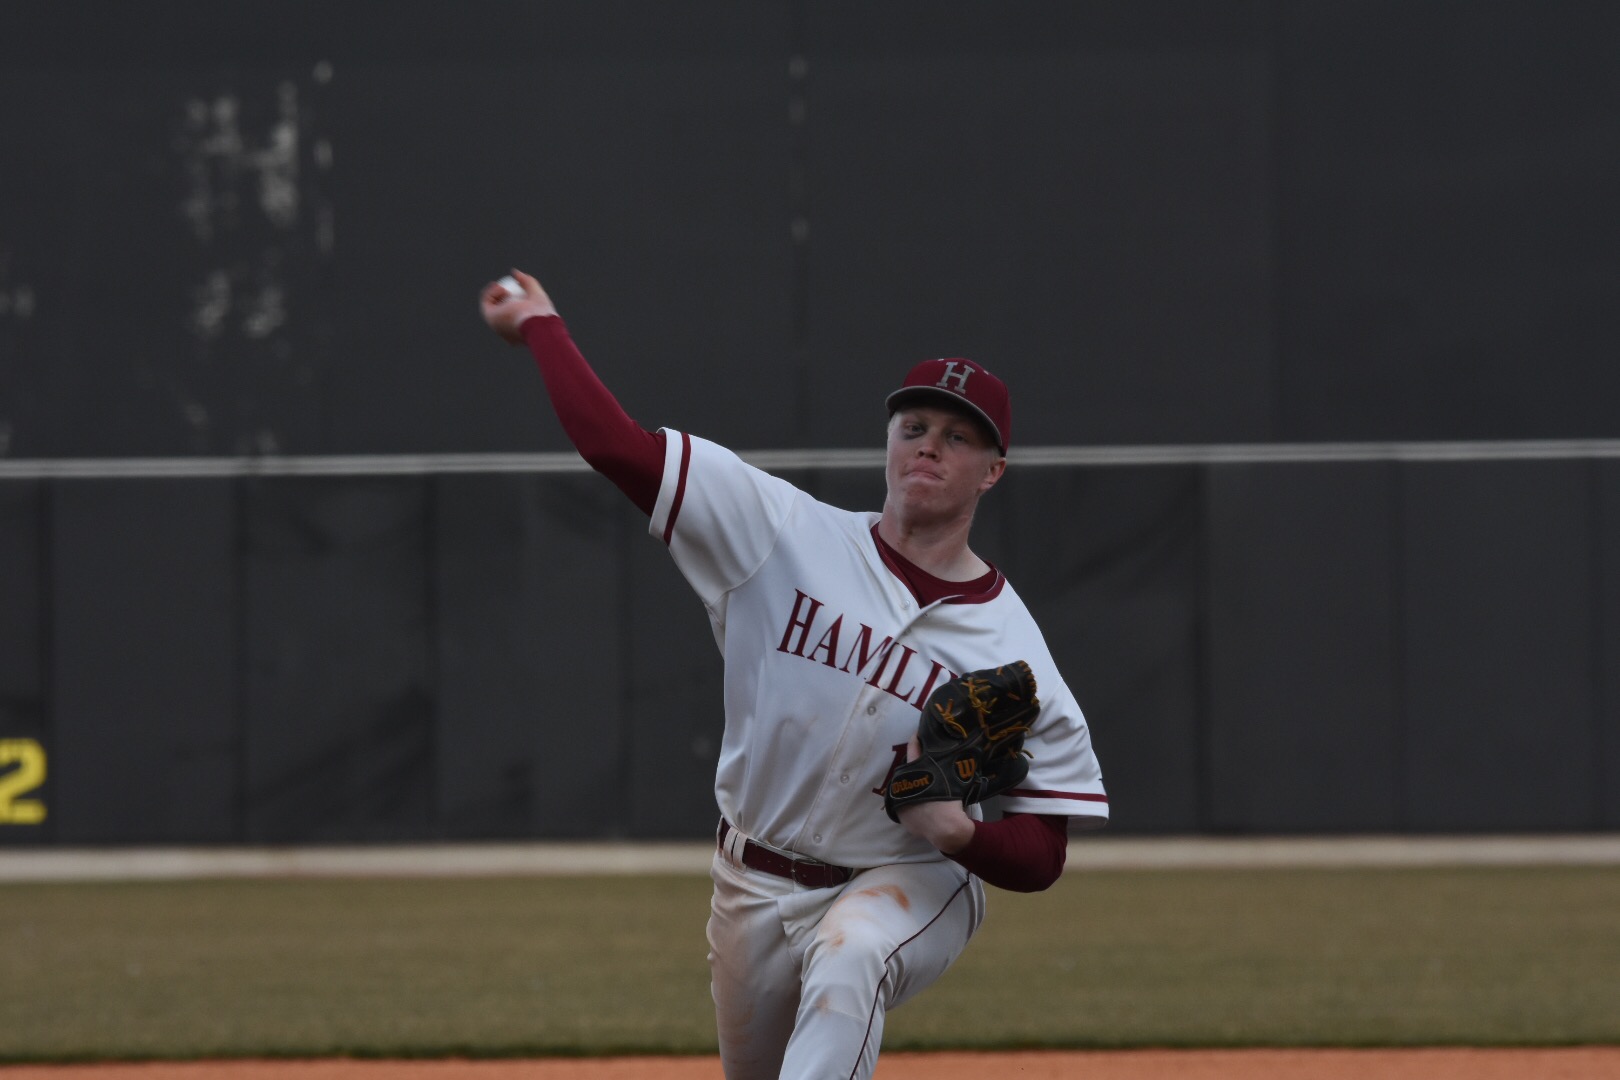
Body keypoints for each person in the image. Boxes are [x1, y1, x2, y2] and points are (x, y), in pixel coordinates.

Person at [480, 269, 1108, 1080]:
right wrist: (541, 322)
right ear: (887, 441)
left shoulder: (1010, 645)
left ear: (993, 471)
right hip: (751, 882)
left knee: (852, 958)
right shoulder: (781, 535)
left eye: (958, 437)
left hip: (908, 878)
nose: (929, 444)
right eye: (914, 424)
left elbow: (1045, 850)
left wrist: (961, 833)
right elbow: (615, 446)